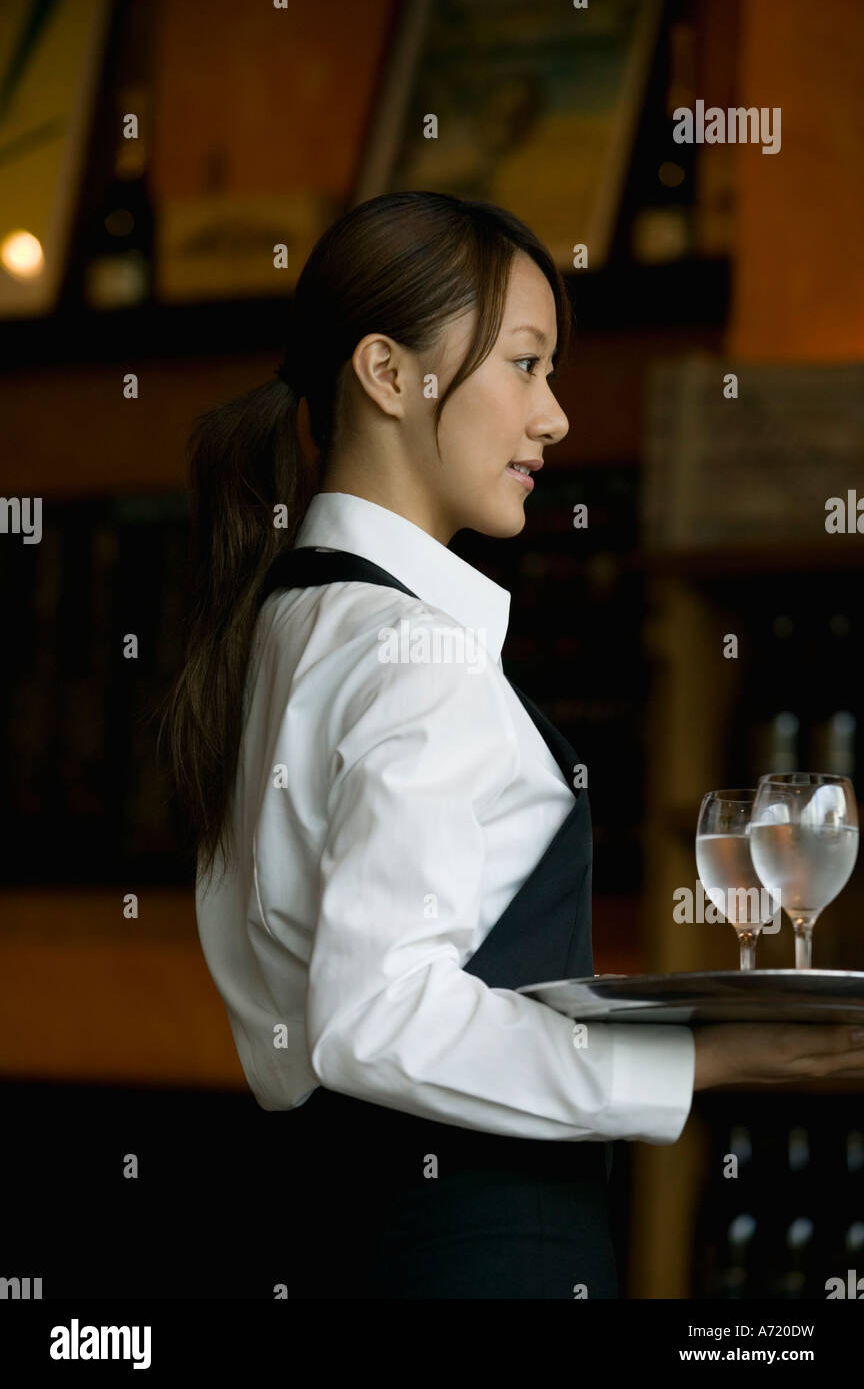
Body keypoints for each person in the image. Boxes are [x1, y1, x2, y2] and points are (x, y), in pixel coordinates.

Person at [158, 190, 864, 1299]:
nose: (556, 419)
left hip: (332, 1234)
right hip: (474, 1253)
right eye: (525, 366)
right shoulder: (412, 651)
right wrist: (704, 1054)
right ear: (387, 375)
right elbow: (375, 1012)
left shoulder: (282, 623)